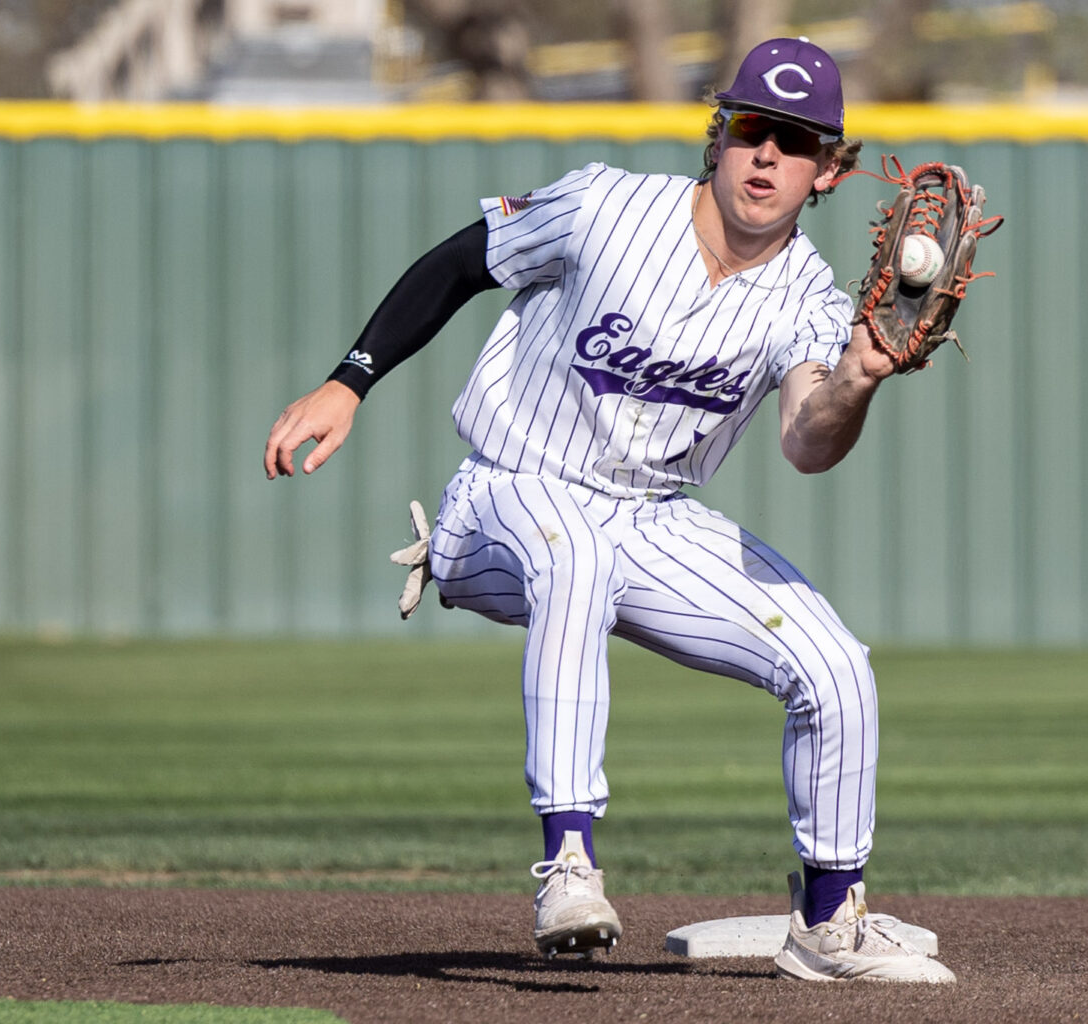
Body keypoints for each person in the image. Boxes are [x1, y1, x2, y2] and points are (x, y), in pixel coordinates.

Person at [263, 37, 955, 984]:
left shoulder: (808, 298)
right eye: (751, 128)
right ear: (718, 135)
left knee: (835, 668)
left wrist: (860, 377)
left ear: (828, 170)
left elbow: (807, 442)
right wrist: (350, 381)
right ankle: (569, 867)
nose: (766, 155)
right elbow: (462, 263)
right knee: (573, 556)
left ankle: (830, 924)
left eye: (795, 141)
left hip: (652, 516)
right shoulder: (605, 206)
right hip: (507, 492)